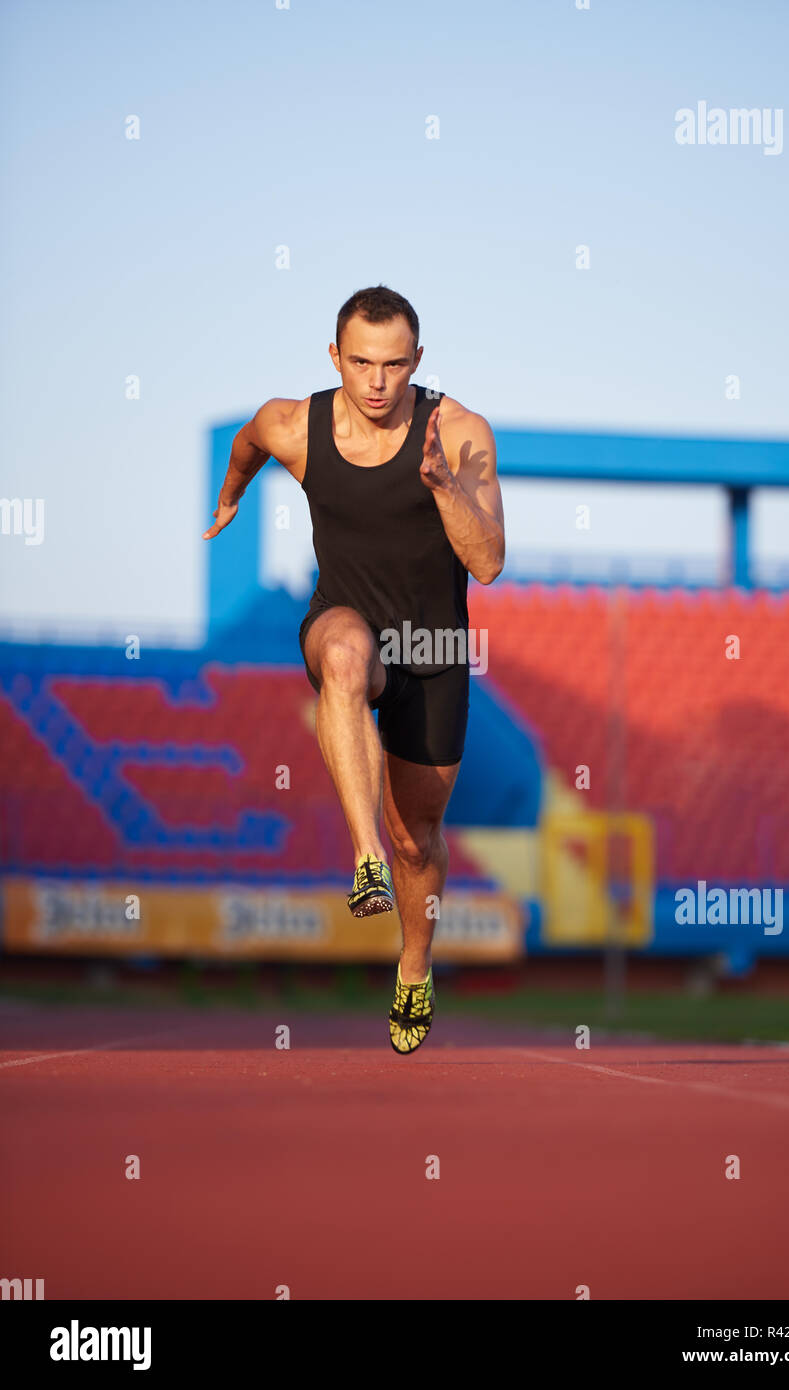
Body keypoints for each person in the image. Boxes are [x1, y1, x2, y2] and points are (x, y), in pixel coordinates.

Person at [204, 285, 505, 1052]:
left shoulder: (459, 431)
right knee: (342, 655)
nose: (376, 382)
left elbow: (489, 562)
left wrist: (442, 488)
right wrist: (233, 494)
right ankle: (362, 856)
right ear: (335, 356)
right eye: (361, 363)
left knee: (419, 838)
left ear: (418, 362)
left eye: (394, 365)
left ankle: (413, 962)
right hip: (349, 622)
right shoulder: (293, 424)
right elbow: (246, 441)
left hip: (432, 650)